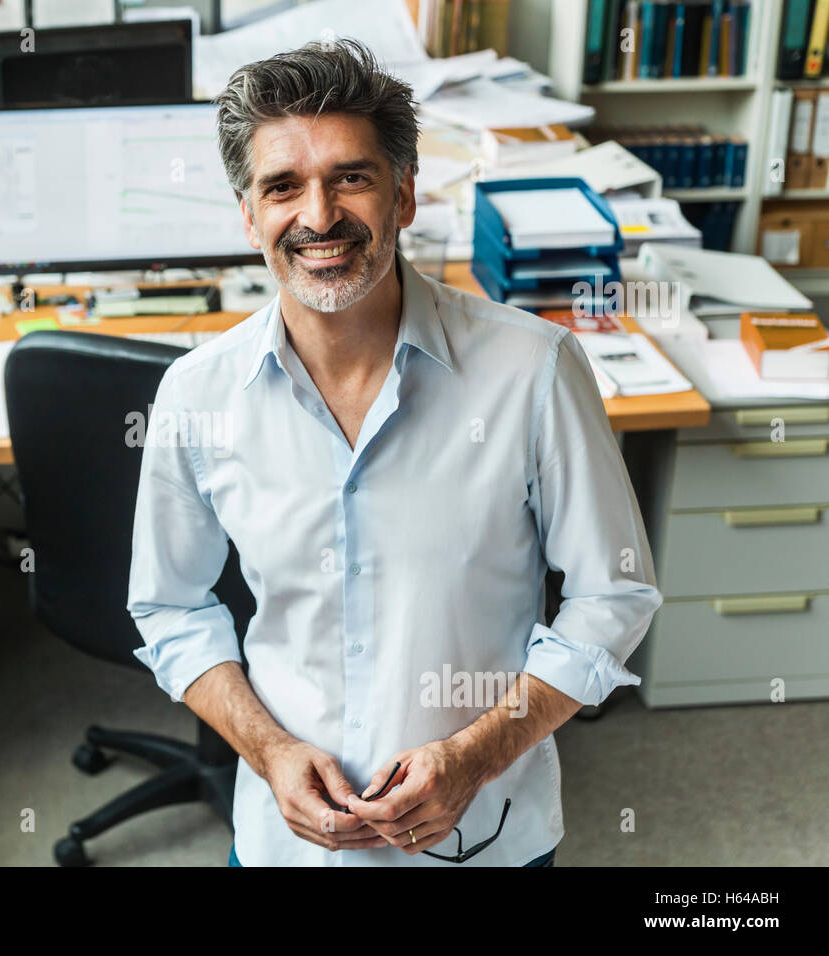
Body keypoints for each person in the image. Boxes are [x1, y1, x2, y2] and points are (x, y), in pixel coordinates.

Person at [126, 39, 662, 866]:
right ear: (248, 216)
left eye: (351, 176)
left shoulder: (532, 370)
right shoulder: (198, 394)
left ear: (405, 194)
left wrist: (475, 756)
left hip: (483, 834)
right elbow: (171, 608)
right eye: (282, 186)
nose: (317, 215)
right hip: (286, 842)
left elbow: (613, 594)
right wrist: (267, 750)